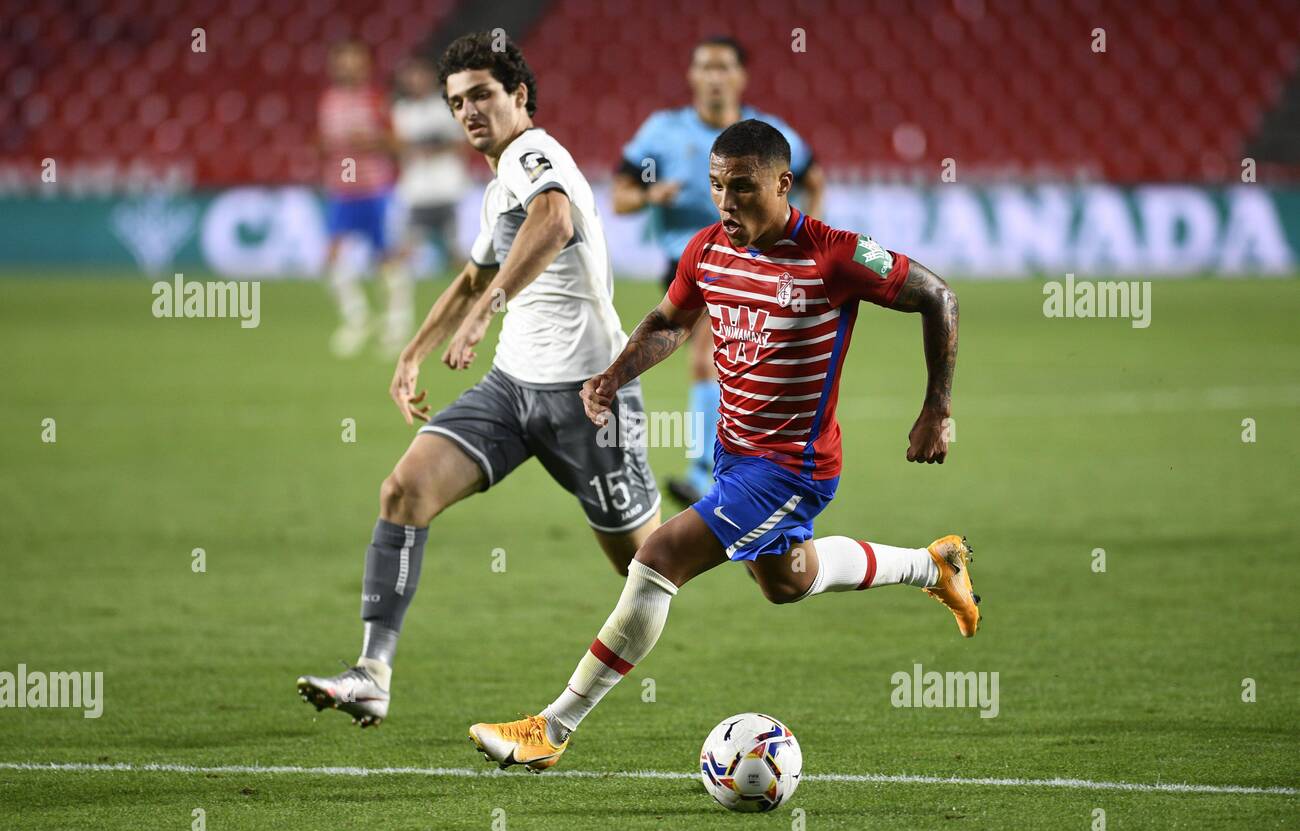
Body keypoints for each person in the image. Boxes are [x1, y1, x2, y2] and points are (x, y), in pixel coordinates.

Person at [469, 120, 978, 772]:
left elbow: (939, 296)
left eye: (742, 187)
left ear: (782, 184)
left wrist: (937, 408)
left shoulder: (836, 254)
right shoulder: (708, 250)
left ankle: (552, 728)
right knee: (786, 582)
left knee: (658, 557)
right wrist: (614, 374)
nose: (726, 202)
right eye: (716, 187)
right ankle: (934, 565)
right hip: (733, 456)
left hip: (792, 469)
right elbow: (670, 322)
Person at [298, 33, 661, 728]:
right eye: (456, 100)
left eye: (482, 95)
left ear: (519, 96)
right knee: (404, 490)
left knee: (648, 566)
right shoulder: (501, 187)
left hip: (588, 396)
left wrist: (492, 307)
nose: (468, 110)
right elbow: (471, 278)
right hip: (512, 390)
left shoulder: (536, 154)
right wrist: (413, 352)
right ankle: (372, 672)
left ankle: (770, 550)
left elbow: (552, 222)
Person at [613, 37, 825, 507]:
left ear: (740, 77)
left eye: (723, 67)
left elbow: (812, 178)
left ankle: (729, 467)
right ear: (691, 76)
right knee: (707, 358)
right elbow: (620, 195)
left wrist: (806, 239)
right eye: (704, 67)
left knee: (736, 363)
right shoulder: (662, 133)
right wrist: (650, 196)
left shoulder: (764, 134)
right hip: (691, 261)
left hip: (760, 261)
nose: (713, 77)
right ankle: (708, 470)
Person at [317, 39, 413, 358]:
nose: (348, 67)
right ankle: (357, 319)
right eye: (342, 61)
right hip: (342, 191)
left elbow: (397, 145)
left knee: (386, 258)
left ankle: (398, 324)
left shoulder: (375, 100)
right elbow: (322, 145)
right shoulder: (328, 102)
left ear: (365, 66)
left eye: (354, 61)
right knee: (331, 257)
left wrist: (369, 141)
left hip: (375, 190)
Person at [392, 57, 472, 275]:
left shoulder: (447, 107)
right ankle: (396, 302)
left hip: (448, 188)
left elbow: (462, 143)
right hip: (417, 190)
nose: (416, 81)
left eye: (420, 75)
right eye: (412, 76)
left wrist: (430, 150)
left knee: (456, 250)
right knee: (406, 248)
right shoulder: (400, 111)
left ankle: (471, 298)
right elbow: (395, 146)